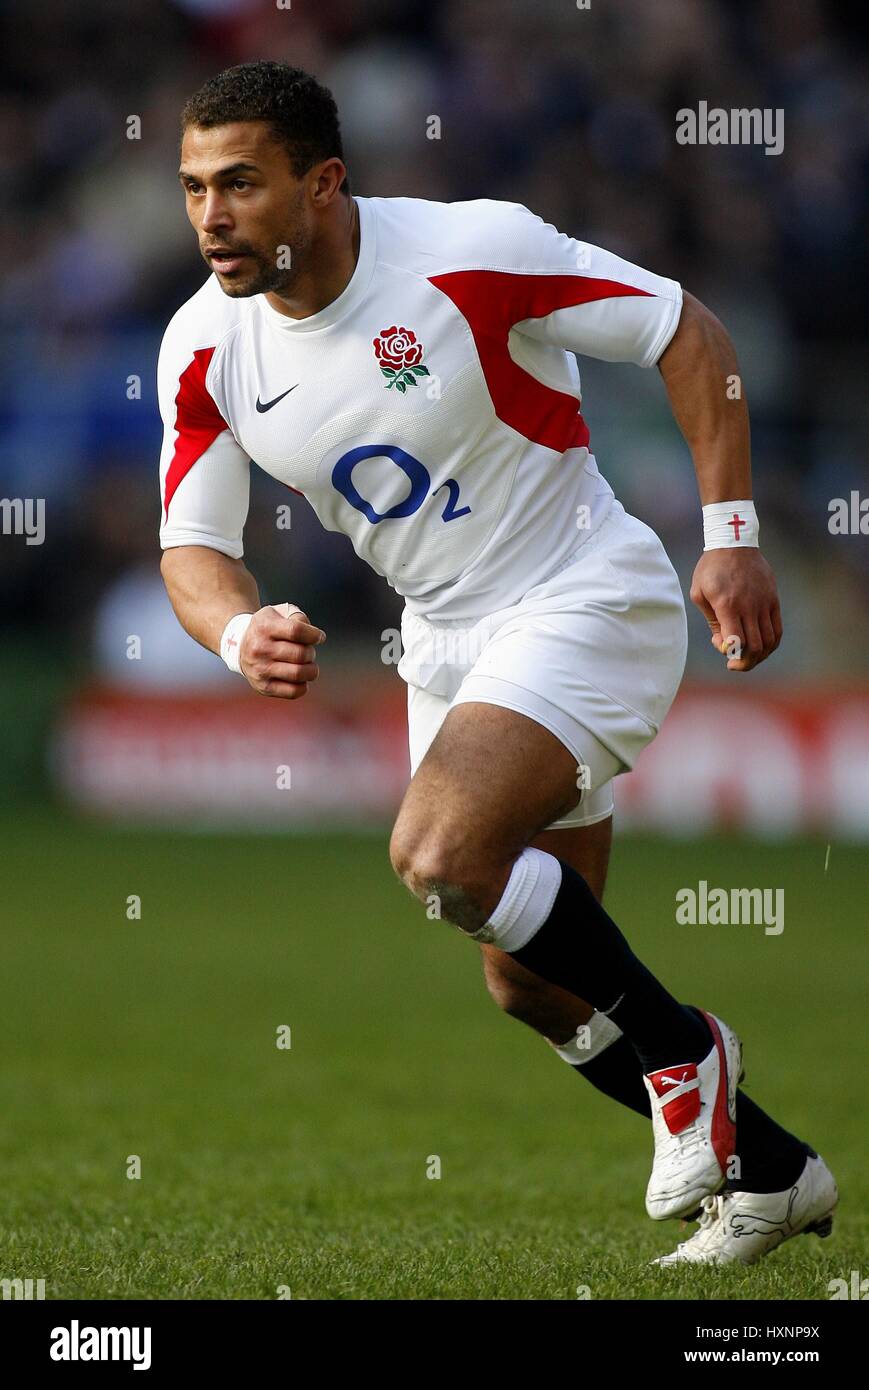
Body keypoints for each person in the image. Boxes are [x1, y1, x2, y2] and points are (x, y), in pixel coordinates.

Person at [158, 61, 836, 1266]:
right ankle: (772, 1173)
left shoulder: (469, 252)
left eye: (243, 184)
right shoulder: (205, 348)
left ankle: (686, 1053)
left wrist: (728, 539)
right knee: (528, 983)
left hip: (581, 589)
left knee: (439, 852)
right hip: (447, 641)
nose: (212, 214)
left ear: (322, 184)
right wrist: (230, 629)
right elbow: (193, 545)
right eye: (196, 186)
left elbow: (688, 331)